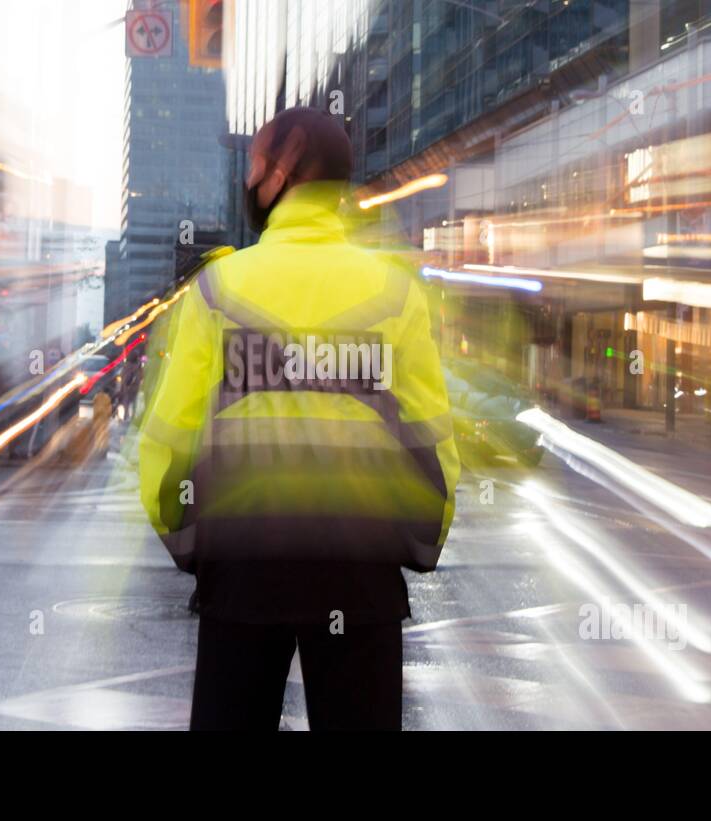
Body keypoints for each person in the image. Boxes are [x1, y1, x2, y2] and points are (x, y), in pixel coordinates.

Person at [138, 107, 459, 731]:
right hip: (361, 582)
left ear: (282, 173)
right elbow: (434, 448)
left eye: (257, 165)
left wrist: (199, 549)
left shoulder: (218, 290)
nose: (251, 178)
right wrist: (406, 547)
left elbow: (167, 446)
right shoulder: (396, 296)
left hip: (242, 574)